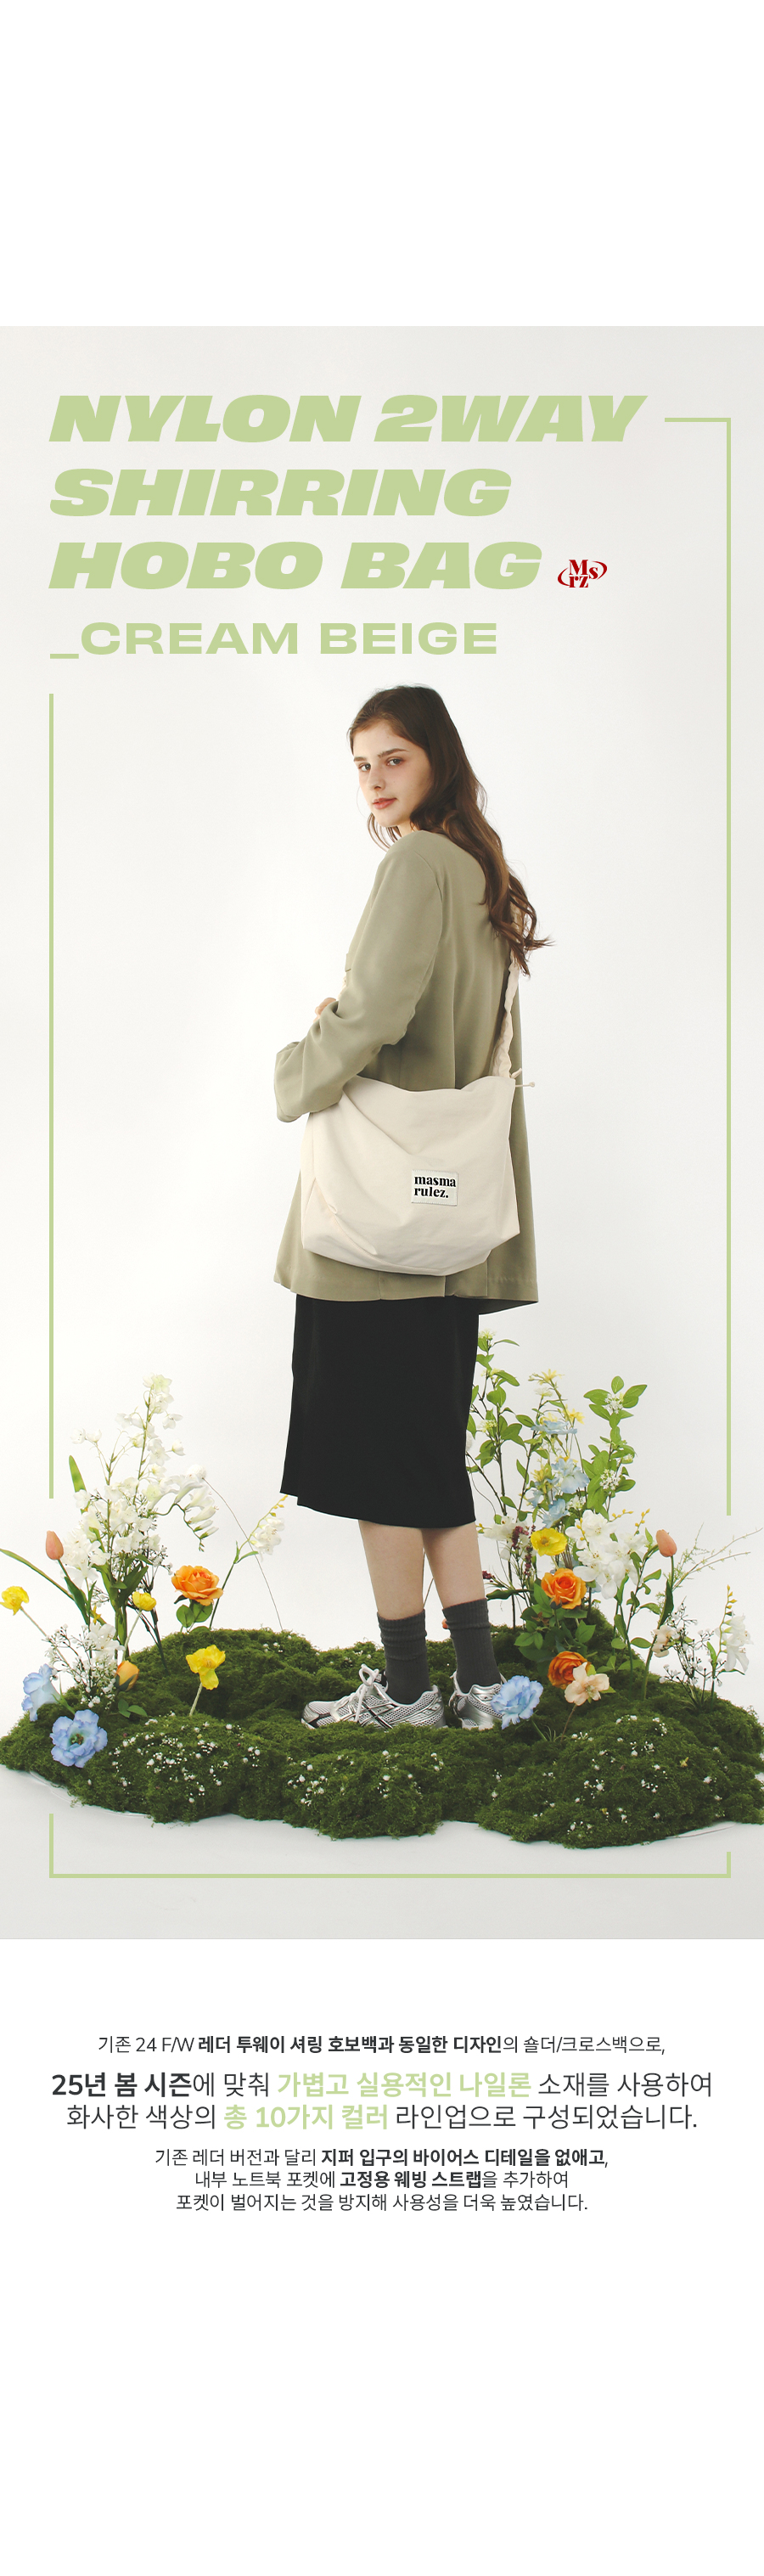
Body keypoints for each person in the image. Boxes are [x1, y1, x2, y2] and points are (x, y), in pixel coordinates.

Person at [273, 684, 544, 1732]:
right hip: (448, 1217)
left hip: (377, 1230)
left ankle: (403, 1690)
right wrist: (358, 1017)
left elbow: (378, 1012)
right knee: (429, 1456)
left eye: (393, 757)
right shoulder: (478, 871)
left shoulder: (415, 863)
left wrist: (301, 1065)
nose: (375, 780)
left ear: (436, 758)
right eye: (361, 764)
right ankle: (477, 1685)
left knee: (379, 1464)